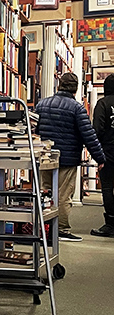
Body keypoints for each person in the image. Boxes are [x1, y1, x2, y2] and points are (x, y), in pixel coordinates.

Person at [35, 71, 105, 241]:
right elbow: (88, 135)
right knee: (64, 195)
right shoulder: (76, 108)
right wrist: (100, 158)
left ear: (59, 85)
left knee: (46, 192)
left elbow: (35, 130)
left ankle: (45, 228)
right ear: (75, 89)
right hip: (67, 158)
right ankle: (61, 230)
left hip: (45, 156)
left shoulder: (42, 104)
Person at [91, 73, 114, 237]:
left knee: (107, 186)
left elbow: (97, 130)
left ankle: (110, 223)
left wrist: (98, 155)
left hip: (108, 151)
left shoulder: (103, 104)